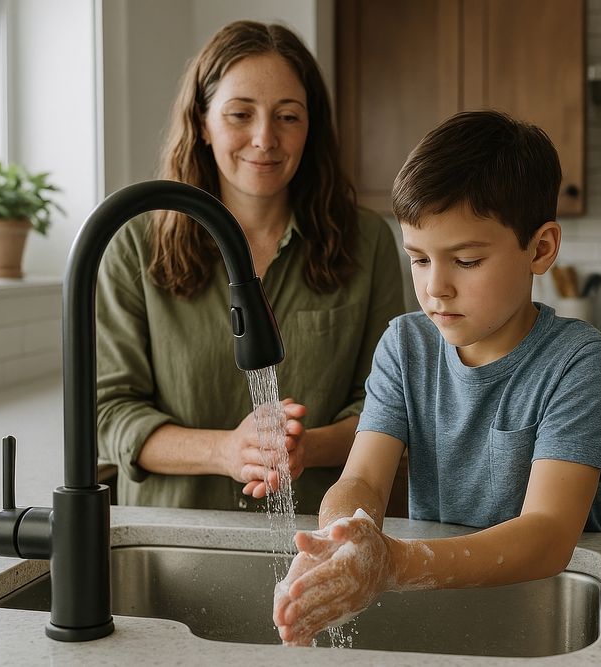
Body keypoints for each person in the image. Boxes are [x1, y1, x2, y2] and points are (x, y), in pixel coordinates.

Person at [271, 110, 601, 645]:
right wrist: (345, 542)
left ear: (541, 248)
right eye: (418, 259)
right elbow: (361, 479)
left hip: (546, 610)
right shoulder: (405, 345)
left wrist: (393, 564)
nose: (436, 288)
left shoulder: (578, 360)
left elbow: (548, 535)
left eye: (466, 260)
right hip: (443, 600)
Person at [95, 21, 405, 514]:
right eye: (241, 113)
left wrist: (305, 447)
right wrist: (225, 451)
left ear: (311, 128)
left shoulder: (366, 243)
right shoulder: (134, 244)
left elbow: (391, 404)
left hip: (320, 536)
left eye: (288, 117)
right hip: (173, 540)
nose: (265, 138)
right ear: (202, 121)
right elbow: (107, 413)